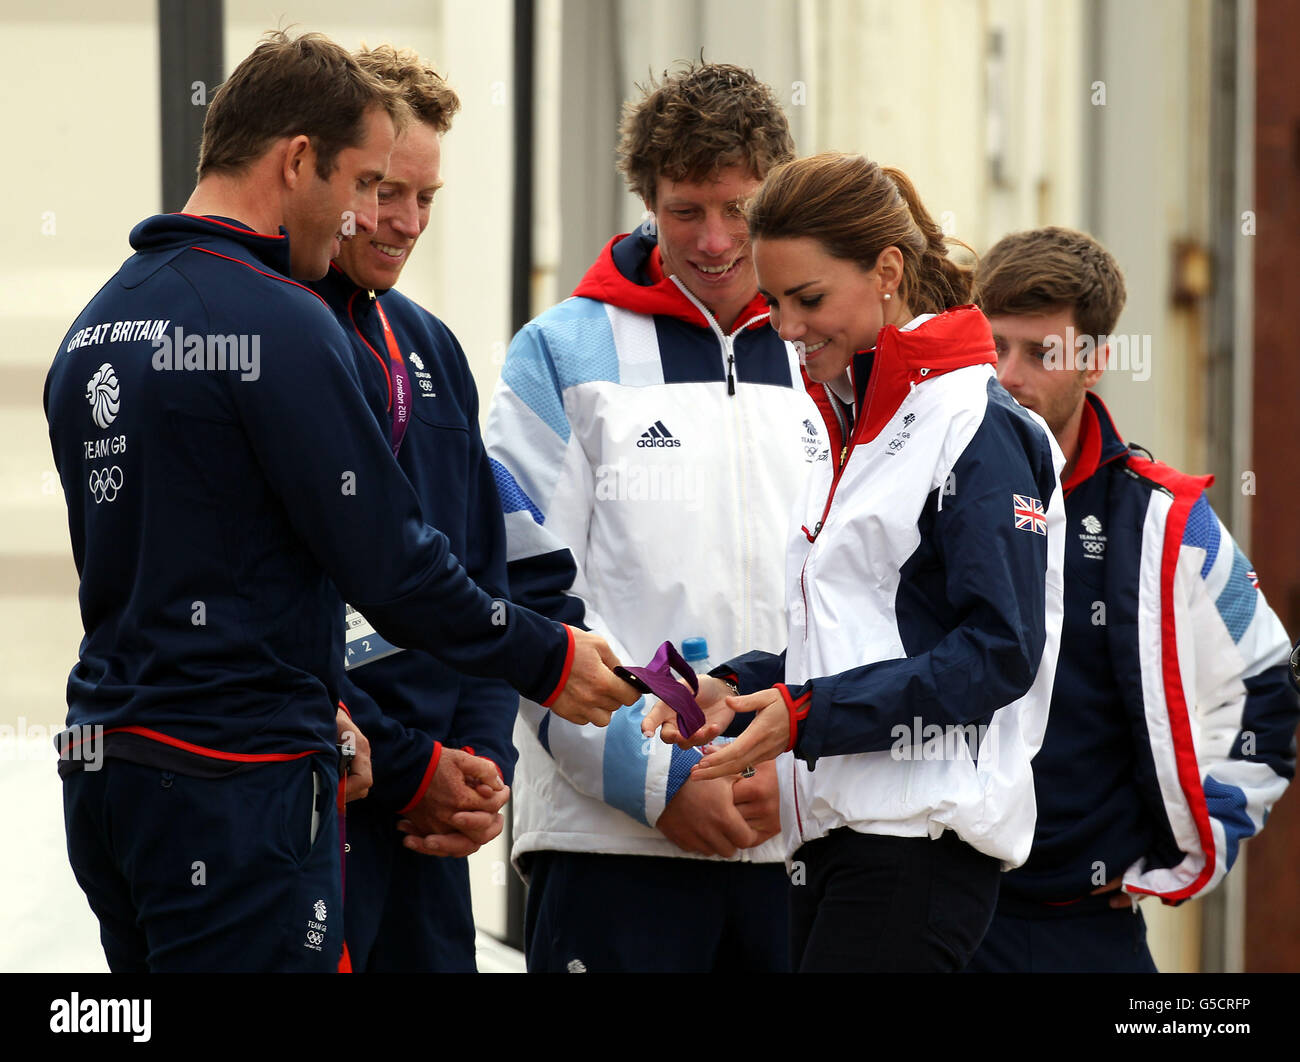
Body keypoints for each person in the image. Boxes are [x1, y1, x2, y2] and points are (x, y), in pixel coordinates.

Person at [44, 30, 635, 973]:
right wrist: (549, 656)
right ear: (297, 160)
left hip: (112, 762)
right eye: (366, 184)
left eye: (413, 195)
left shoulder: (97, 323)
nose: (374, 215)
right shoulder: (279, 318)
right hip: (239, 775)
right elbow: (394, 564)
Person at [645, 153, 1066, 973]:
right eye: (774, 302)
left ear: (887, 272)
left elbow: (999, 652)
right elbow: (866, 642)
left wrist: (804, 716)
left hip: (921, 842)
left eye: (809, 299)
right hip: (838, 835)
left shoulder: (975, 422)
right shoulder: (856, 419)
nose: (788, 329)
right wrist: (739, 685)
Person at [484, 62, 820, 972]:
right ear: (647, 199)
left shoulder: (825, 352)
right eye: (686, 211)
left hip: (801, 840)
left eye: (739, 208)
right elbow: (520, 594)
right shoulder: (560, 351)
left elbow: (867, 594)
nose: (714, 240)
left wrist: (785, 767)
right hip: (611, 850)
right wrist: (661, 784)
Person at [963, 226, 1299, 972]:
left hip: (1088, 929)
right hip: (939, 917)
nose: (1008, 375)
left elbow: (1265, 686)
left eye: (1039, 352)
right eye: (995, 347)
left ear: (1093, 362)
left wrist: (1192, 848)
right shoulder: (923, 494)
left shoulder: (1167, 522)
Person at [308, 45, 516, 972]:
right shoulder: (268, 332)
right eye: (386, 191)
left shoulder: (427, 344)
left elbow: (485, 577)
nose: (406, 223)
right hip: (327, 794)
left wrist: (477, 763)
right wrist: (409, 766)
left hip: (437, 819)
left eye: (427, 199)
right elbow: (261, 607)